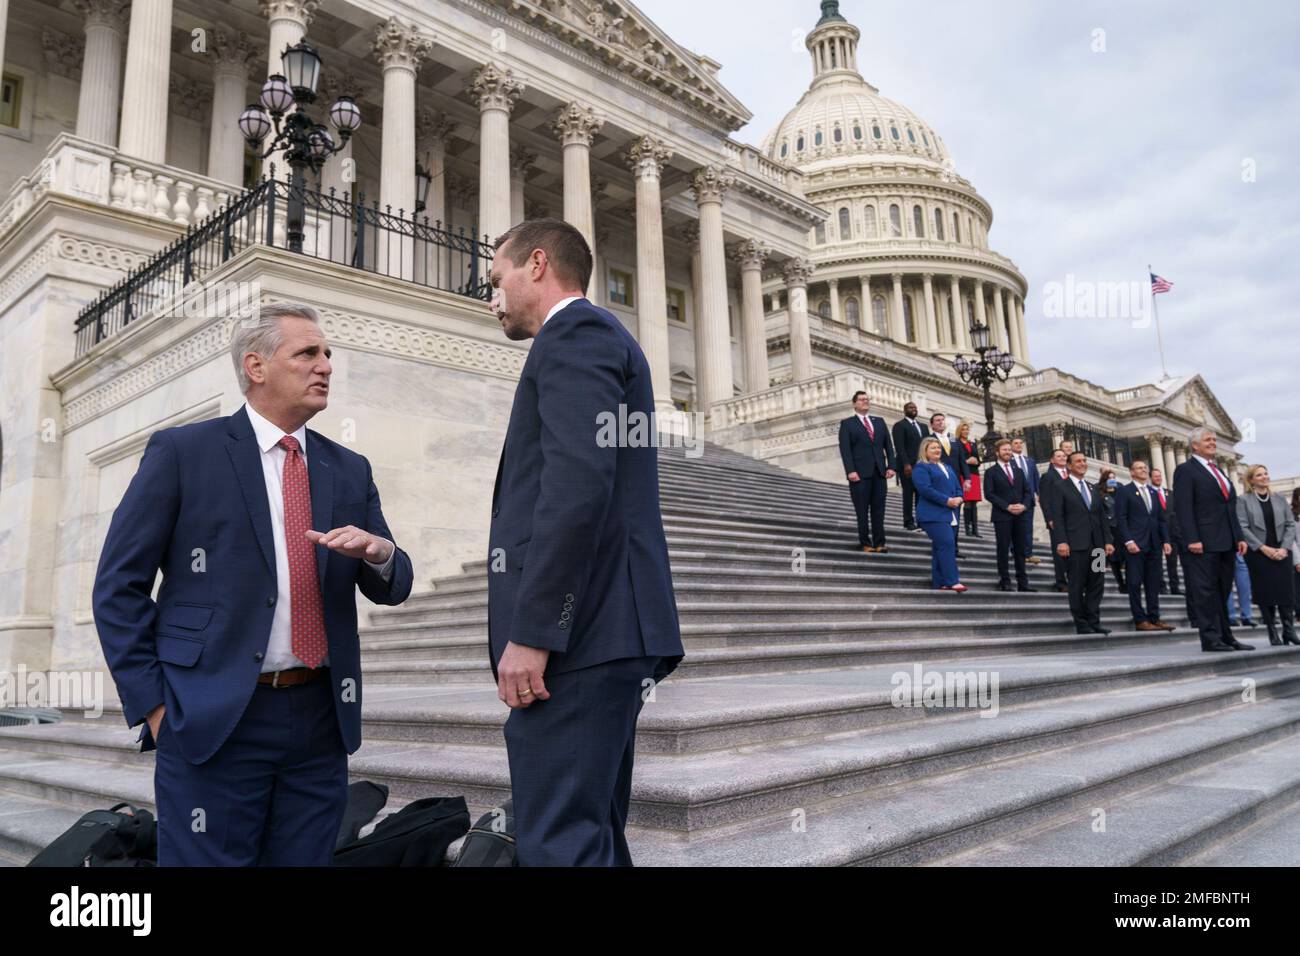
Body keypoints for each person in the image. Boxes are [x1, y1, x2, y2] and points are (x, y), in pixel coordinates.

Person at [92, 303, 415, 865]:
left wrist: (382, 553)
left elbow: (392, 585)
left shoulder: (349, 469)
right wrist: (156, 709)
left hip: (319, 721)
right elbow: (118, 587)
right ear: (256, 367)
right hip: (214, 717)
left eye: (328, 354)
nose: (326, 366)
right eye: (308, 353)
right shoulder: (183, 454)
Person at [486, 218, 685, 866]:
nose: (492, 299)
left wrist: (536, 630)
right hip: (603, 633)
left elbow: (576, 487)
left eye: (497, 280)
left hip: (580, 637)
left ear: (537, 265)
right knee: (588, 836)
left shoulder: (575, 333)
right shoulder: (600, 338)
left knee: (559, 845)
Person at [1172, 427, 1252, 653]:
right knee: (1205, 591)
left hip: (1226, 542)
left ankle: (1226, 636)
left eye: (1214, 440)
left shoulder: (1219, 472)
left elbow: (1229, 507)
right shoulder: (1186, 470)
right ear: (1194, 445)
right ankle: (1210, 638)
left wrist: (1238, 536)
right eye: (1208, 440)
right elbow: (1183, 507)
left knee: (1222, 591)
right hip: (1202, 543)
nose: (1213, 443)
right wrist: (1192, 538)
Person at [1049, 451, 1113, 634]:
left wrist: (1107, 541)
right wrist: (1061, 541)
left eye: (1084, 460)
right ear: (1069, 465)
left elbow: (1101, 518)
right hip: (1076, 545)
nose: (1083, 463)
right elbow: (1058, 517)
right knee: (1077, 584)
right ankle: (1081, 622)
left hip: (1098, 547)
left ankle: (1094, 620)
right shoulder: (1060, 486)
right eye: (1078, 461)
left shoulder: (1093, 488)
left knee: (1097, 583)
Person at [1235, 465, 1299, 645]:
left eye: (1266, 474)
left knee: (1286, 592)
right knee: (1266, 593)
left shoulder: (1279, 498)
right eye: (1259, 475)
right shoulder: (1243, 501)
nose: (1264, 477)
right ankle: (1272, 632)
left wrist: (1285, 548)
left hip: (1282, 551)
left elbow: (1290, 524)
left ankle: (1289, 630)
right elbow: (1243, 527)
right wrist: (1263, 548)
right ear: (1251, 480)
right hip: (1259, 554)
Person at [1115, 459, 1175, 632]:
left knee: (1153, 582)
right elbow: (1121, 518)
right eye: (1139, 468)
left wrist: (1166, 541)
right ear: (1131, 472)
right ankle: (1140, 619)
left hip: (1154, 544)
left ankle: (1154, 617)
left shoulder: (1153, 492)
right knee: (1134, 583)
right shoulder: (1124, 491)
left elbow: (1161, 520)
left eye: (1145, 468)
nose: (1143, 470)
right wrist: (1128, 540)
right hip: (1135, 544)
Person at [838, 391, 898, 553]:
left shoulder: (879, 422)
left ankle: (880, 542)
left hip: (879, 473)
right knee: (862, 510)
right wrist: (850, 470)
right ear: (854, 404)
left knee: (879, 509)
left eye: (867, 399)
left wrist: (892, 466)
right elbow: (846, 450)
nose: (865, 401)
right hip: (859, 474)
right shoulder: (847, 424)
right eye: (861, 399)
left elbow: (889, 447)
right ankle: (865, 542)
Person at [912, 437, 966, 592]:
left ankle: (939, 582)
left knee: (939, 548)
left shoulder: (947, 467)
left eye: (938, 447)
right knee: (947, 544)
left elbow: (957, 486)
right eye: (933, 448)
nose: (937, 450)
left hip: (951, 513)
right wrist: (947, 500)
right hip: (932, 514)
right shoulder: (921, 467)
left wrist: (959, 497)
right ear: (925, 451)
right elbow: (925, 490)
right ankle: (952, 581)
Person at [983, 439, 1034, 592]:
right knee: (1003, 548)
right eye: (1004, 450)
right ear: (997, 453)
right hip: (1002, 516)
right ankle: (1005, 580)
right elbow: (989, 494)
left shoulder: (1018, 470)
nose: (1008, 452)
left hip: (1020, 515)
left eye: (1009, 450)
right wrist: (1007, 507)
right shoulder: (990, 472)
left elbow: (1027, 491)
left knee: (1020, 549)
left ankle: (1023, 583)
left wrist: (1024, 505)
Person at [929, 412, 969, 558]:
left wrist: (967, 478)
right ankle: (941, 547)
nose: (940, 422)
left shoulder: (953, 439)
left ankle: (954, 548)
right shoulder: (929, 440)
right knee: (942, 517)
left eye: (942, 420)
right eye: (937, 420)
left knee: (956, 517)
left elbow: (961, 459)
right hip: (939, 483)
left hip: (955, 483)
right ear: (932, 424)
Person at [891, 402, 930, 532]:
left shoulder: (923, 427)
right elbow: (900, 447)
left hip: (922, 466)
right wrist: (906, 464)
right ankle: (908, 521)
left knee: (921, 494)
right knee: (908, 494)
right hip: (908, 466)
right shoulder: (899, 426)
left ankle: (921, 521)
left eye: (915, 407)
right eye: (910, 408)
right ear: (904, 410)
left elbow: (927, 446)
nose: (913, 409)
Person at [1039, 448, 1072, 593]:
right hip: (1057, 520)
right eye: (1058, 456)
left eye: (1064, 456)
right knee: (1059, 551)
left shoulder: (1072, 475)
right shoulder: (1048, 476)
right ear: (1052, 460)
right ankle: (1061, 582)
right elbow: (1044, 499)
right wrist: (1049, 519)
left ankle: (1075, 579)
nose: (1062, 458)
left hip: (1073, 519)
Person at [1150, 468, 1182, 595]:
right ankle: (1161, 586)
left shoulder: (1170, 493)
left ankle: (1175, 587)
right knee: (1157, 562)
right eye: (1155, 476)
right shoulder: (1149, 493)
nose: (1158, 478)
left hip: (1172, 533)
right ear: (1151, 478)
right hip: (1156, 533)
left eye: (1159, 476)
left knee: (1172, 563)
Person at [1010, 437, 1041, 564]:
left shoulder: (1030, 461)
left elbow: (1036, 478)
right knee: (1014, 527)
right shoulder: (1009, 461)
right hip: (1014, 499)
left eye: (1020, 443)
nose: (1018, 445)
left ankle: (1028, 553)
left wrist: (1039, 493)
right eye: (1015, 443)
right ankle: (1015, 551)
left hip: (1029, 499)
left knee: (1028, 527)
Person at [1098, 468, 1126, 592]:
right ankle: (1096, 585)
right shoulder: (1099, 493)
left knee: (1118, 557)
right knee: (1099, 557)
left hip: (1117, 528)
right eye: (1109, 478)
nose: (1112, 480)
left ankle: (1122, 584)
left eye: (1114, 477)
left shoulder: (1120, 492)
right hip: (1104, 529)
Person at [955, 421, 983, 538]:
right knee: (967, 501)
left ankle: (975, 529)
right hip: (964, 475)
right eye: (963, 429)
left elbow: (978, 459)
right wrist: (967, 461)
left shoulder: (972, 444)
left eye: (967, 429)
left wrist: (976, 461)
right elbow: (956, 459)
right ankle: (968, 528)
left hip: (974, 474)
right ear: (959, 431)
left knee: (974, 503)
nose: (966, 431)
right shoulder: (956, 443)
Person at [1226, 553, 1257, 627]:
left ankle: (1246, 617)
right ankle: (1230, 617)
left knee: (1245, 588)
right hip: (1223, 552)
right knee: (1227, 587)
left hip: (1239, 552)